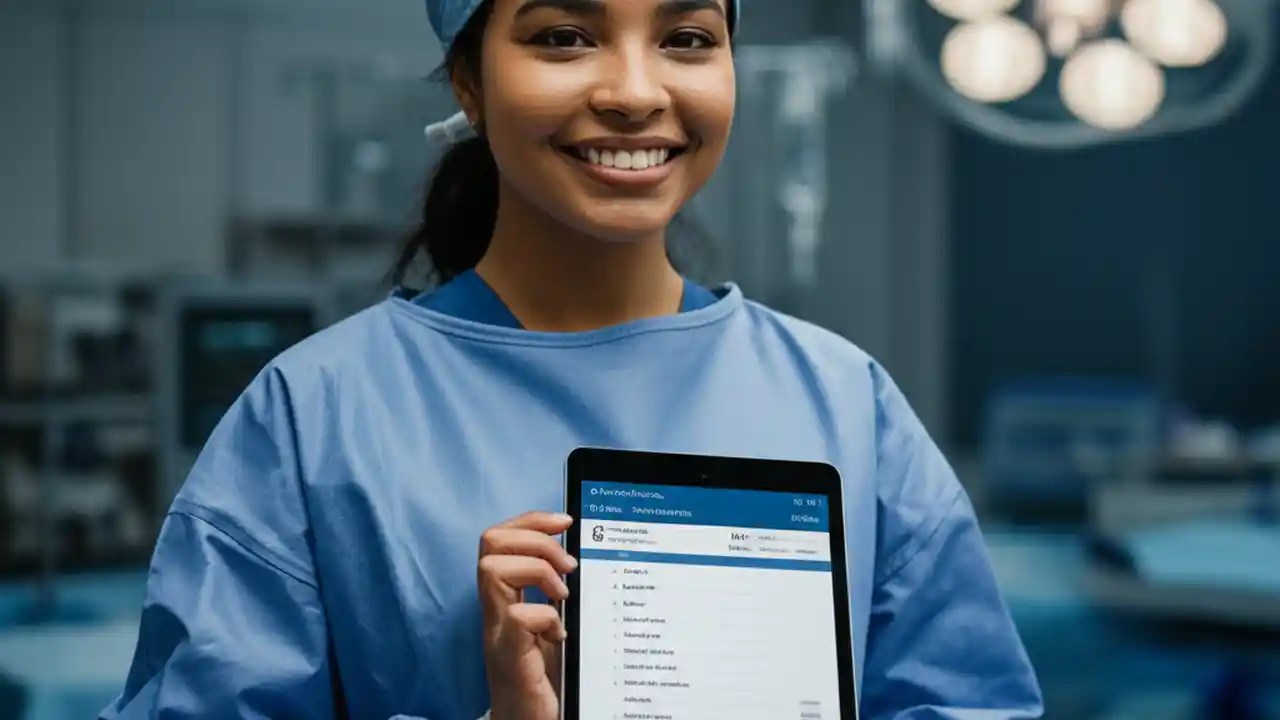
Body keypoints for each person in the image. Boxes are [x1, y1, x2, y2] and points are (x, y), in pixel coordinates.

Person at [102, 0, 1043, 718]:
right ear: (468, 81)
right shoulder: (314, 419)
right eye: (562, 37)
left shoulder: (846, 404)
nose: (636, 93)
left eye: (686, 38)